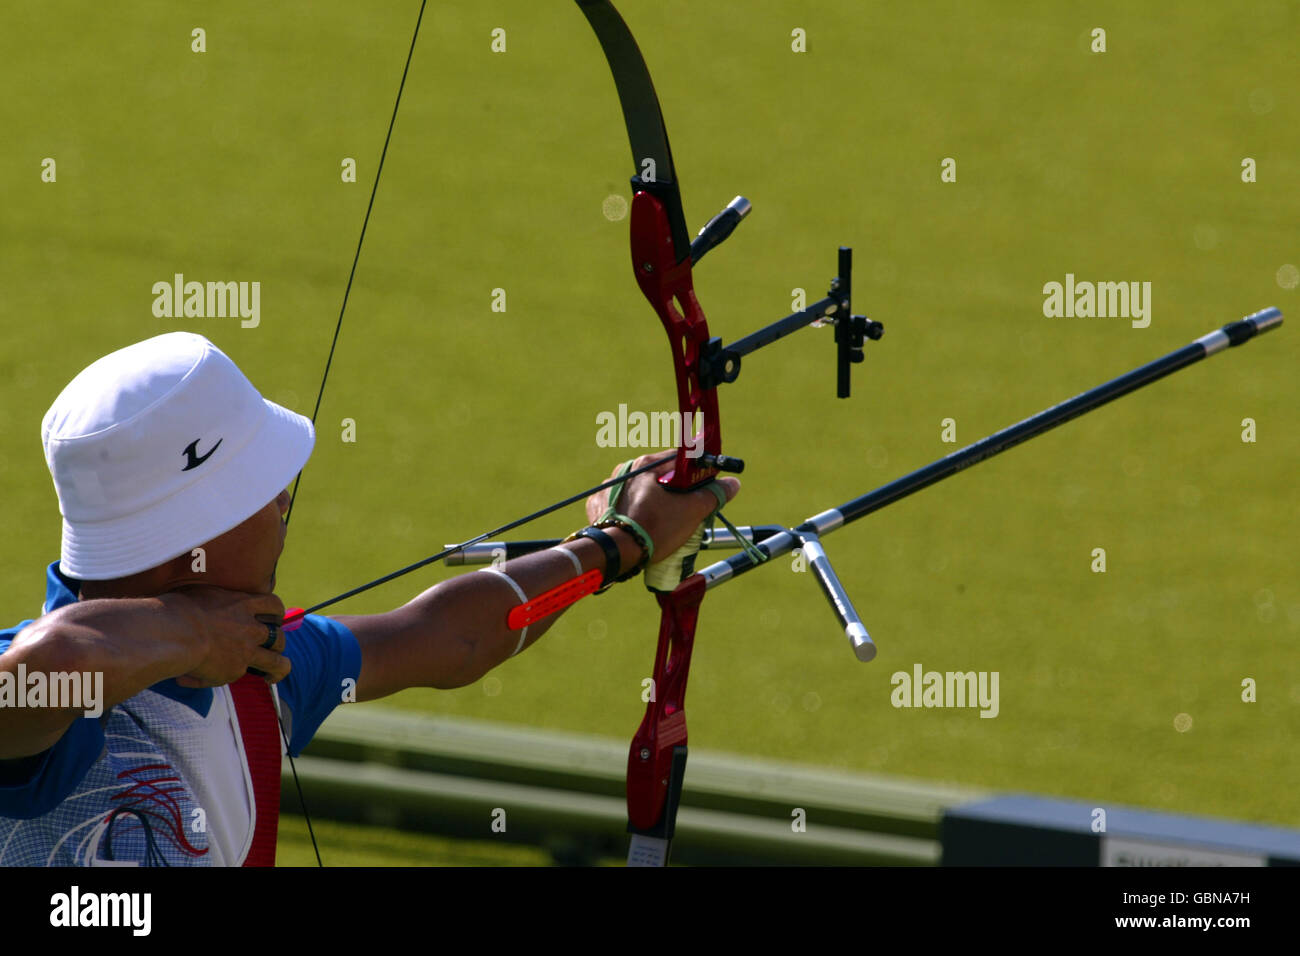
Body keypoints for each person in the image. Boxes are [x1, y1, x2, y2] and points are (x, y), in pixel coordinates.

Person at [0, 332, 736, 866]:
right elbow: (49, 662)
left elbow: (448, 636)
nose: (285, 499)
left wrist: (616, 546)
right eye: (261, 491)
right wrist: (194, 635)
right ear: (196, 530)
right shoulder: (48, 709)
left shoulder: (257, 668)